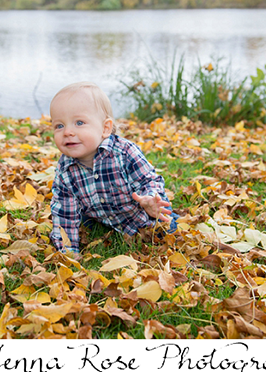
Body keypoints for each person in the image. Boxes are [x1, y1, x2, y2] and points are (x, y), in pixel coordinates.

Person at [48, 82, 176, 254]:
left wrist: (149, 199)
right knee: (77, 219)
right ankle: (95, 224)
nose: (67, 132)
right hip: (102, 216)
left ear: (105, 128)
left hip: (141, 219)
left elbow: (148, 180)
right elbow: (64, 211)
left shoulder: (124, 152)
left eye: (79, 122)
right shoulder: (65, 169)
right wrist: (68, 251)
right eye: (59, 126)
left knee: (166, 230)